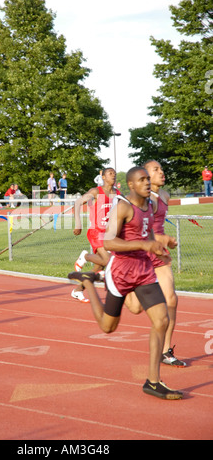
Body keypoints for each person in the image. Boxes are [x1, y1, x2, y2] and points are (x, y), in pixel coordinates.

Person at [68, 166, 183, 400]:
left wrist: (158, 246)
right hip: (120, 272)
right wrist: (144, 245)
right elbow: (108, 243)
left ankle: (152, 381)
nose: (147, 183)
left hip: (143, 271)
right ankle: (89, 282)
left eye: (147, 179)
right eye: (142, 180)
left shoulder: (149, 206)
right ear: (130, 185)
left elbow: (146, 234)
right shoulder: (123, 207)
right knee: (108, 327)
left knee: (161, 320)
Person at [125, 160, 185, 367]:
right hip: (140, 254)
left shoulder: (165, 195)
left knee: (171, 300)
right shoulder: (142, 198)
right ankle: (120, 286)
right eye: (156, 170)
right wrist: (164, 238)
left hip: (159, 255)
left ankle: (166, 351)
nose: (161, 172)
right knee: (134, 308)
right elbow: (140, 231)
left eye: (161, 169)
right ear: (146, 176)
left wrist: (165, 242)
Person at [72, 167, 119, 303]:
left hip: (110, 234)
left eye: (115, 174)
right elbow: (78, 202)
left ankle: (78, 290)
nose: (113, 176)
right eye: (110, 174)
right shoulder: (95, 192)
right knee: (108, 260)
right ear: (103, 177)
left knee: (98, 267)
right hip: (96, 231)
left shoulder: (118, 194)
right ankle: (85, 256)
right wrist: (78, 224)